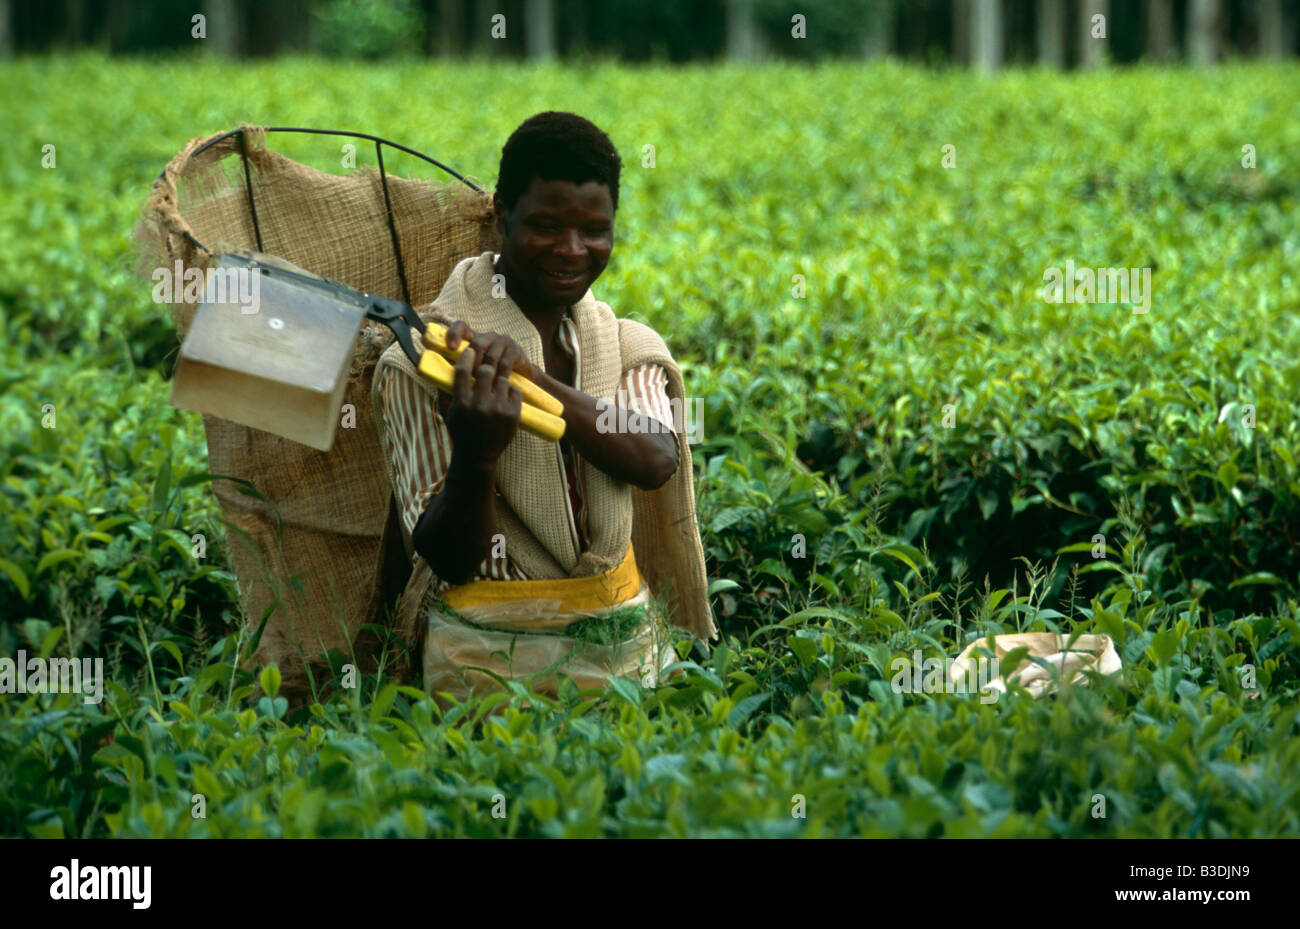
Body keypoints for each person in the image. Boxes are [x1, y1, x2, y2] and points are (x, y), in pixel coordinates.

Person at [371, 111, 717, 707]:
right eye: (547, 226)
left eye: (594, 230)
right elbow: (451, 558)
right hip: (485, 666)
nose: (572, 249)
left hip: (625, 658)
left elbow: (656, 456)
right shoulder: (419, 365)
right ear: (503, 215)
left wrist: (533, 382)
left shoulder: (625, 343)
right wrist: (477, 456)